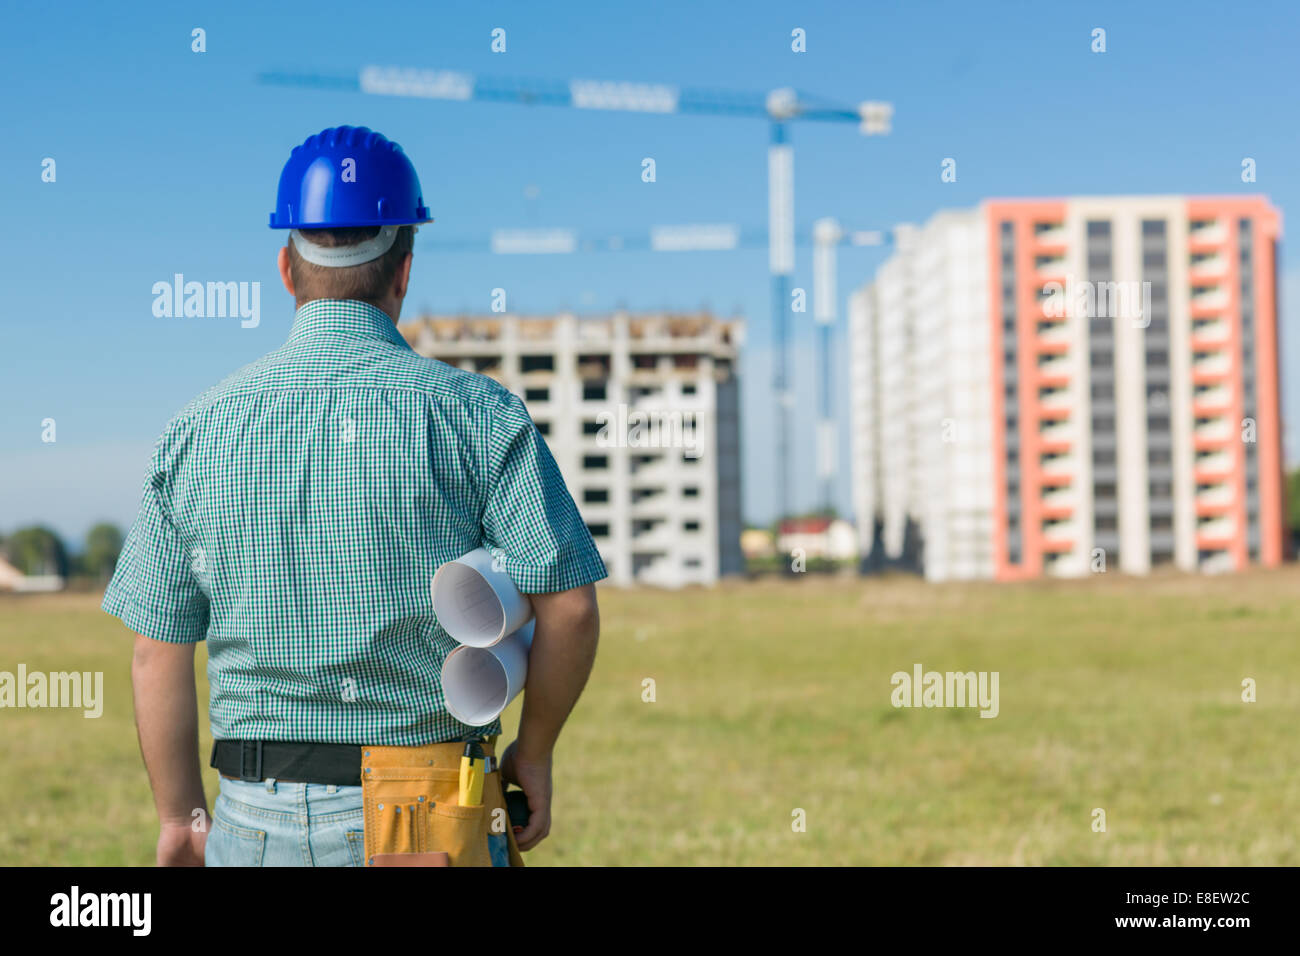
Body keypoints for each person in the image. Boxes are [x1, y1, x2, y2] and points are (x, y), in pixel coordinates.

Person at [103, 125, 605, 867]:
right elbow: (570, 608)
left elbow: (157, 650)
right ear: (404, 272)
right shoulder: (478, 414)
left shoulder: (196, 429)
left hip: (250, 815)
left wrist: (183, 818)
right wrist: (534, 754)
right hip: (430, 815)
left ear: (285, 268)